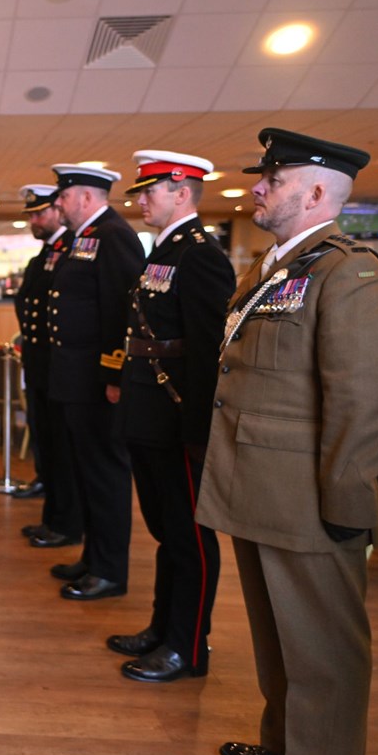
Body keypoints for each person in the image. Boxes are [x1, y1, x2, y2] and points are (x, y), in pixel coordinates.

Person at [198, 129, 378, 755]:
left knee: (323, 647)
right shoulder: (278, 269)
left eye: (273, 179)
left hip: (312, 499)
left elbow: (364, 400)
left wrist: (345, 504)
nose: (257, 187)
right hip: (259, 489)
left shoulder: (351, 273)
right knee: (277, 635)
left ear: (314, 193)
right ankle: (286, 744)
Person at [106, 151, 235, 682]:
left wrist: (199, 428)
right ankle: (163, 628)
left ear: (182, 192)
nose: (140, 200)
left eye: (149, 190)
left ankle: (188, 646)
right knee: (165, 530)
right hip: (148, 411)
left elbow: (208, 349)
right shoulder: (162, 251)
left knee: (189, 535)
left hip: (178, 416)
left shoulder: (200, 254)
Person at [46, 164, 145, 599]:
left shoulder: (113, 235)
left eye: (63, 197)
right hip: (76, 378)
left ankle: (110, 570)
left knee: (105, 475)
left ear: (85, 198)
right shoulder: (87, 237)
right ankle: (93, 557)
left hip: (97, 381)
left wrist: (114, 373)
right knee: (88, 472)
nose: (58, 204)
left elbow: (123, 312)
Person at [14, 184, 84, 552]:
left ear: (58, 212)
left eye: (39, 213)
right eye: (30, 215)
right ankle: (53, 517)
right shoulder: (47, 253)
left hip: (60, 366)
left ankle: (64, 522)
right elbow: (27, 301)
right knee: (47, 442)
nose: (34, 220)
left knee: (62, 450)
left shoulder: (73, 247)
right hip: (41, 364)